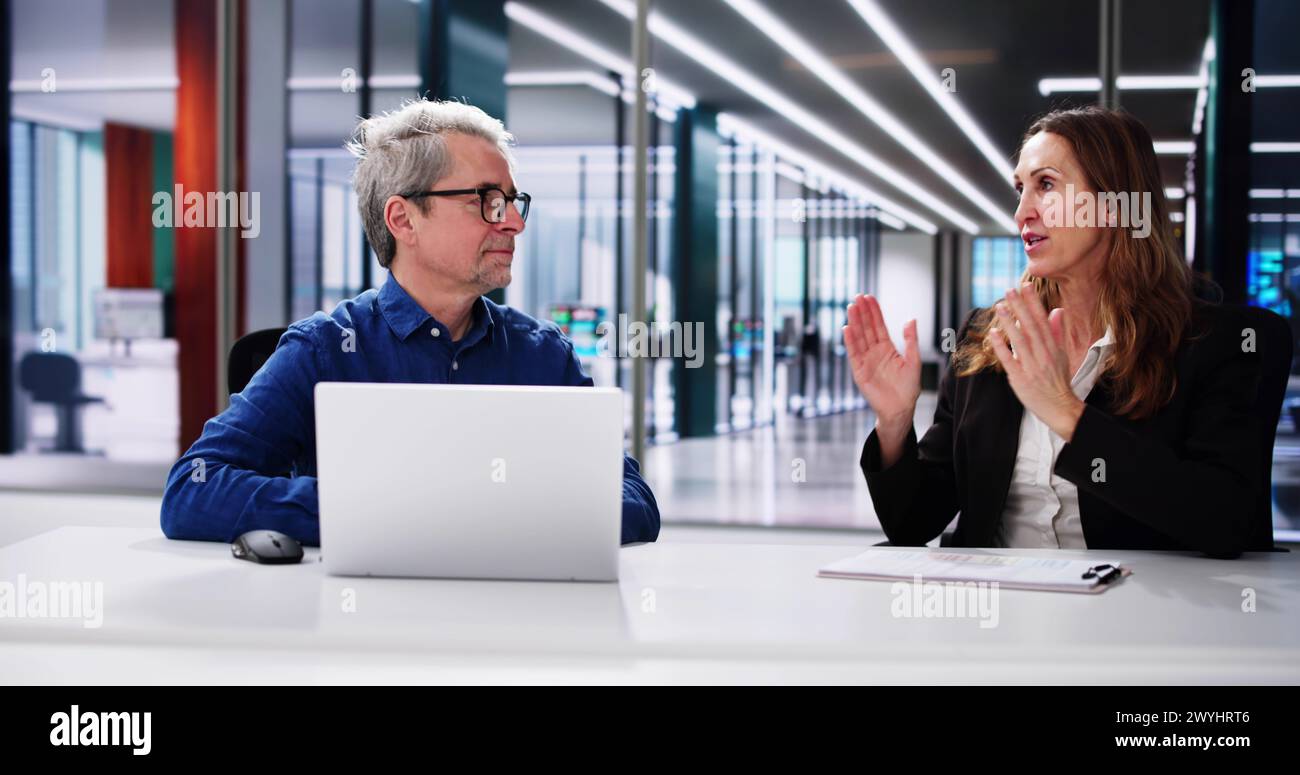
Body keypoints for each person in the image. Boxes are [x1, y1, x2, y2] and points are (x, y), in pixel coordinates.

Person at [161, 99, 660, 546]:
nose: (513, 221)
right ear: (403, 220)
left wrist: (499, 513)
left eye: (512, 201)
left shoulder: (542, 354)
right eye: (486, 200)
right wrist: (376, 508)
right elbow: (193, 487)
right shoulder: (325, 349)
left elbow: (633, 498)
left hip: (512, 624)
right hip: (362, 626)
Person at [846, 106, 1269, 555]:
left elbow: (1223, 522)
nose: (1021, 213)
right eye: (1020, 190)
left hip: (1139, 614)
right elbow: (912, 523)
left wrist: (1066, 412)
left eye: (1045, 185)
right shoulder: (989, 336)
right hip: (998, 610)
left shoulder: (1215, 344)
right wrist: (894, 423)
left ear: (1114, 204)